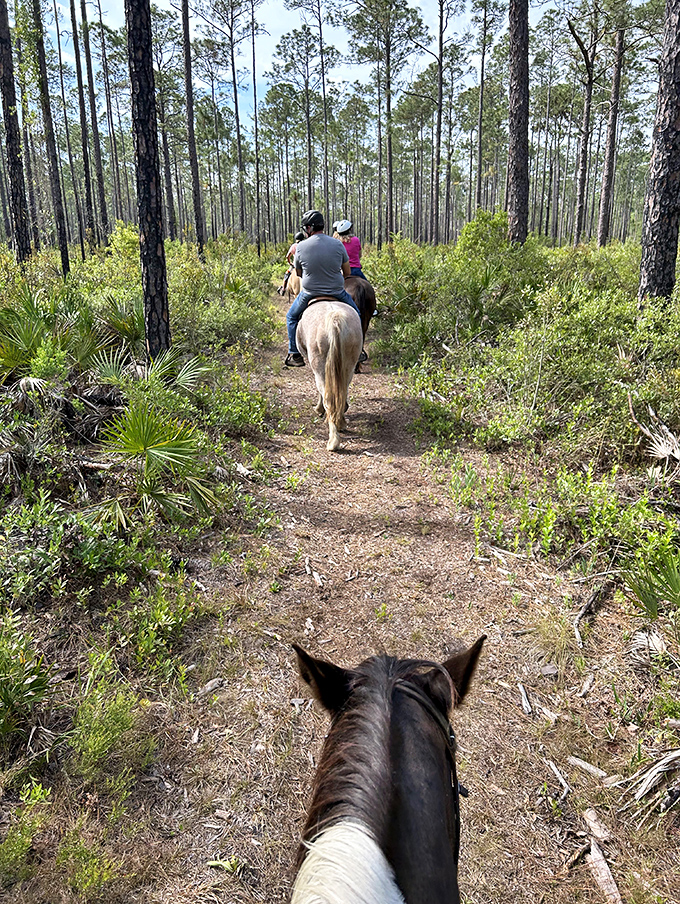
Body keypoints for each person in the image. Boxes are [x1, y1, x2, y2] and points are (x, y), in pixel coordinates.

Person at [285, 209, 362, 367]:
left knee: (291, 317)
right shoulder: (337, 244)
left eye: (306, 227)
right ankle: (359, 350)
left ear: (309, 228)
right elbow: (347, 272)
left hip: (309, 293)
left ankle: (294, 353)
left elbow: (299, 273)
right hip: (337, 292)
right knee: (357, 313)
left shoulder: (300, 247)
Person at [278, 231, 306, 296]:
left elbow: (287, 256)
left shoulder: (294, 246)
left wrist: (290, 263)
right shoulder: (305, 245)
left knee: (287, 274)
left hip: (295, 265)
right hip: (305, 264)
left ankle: (283, 289)